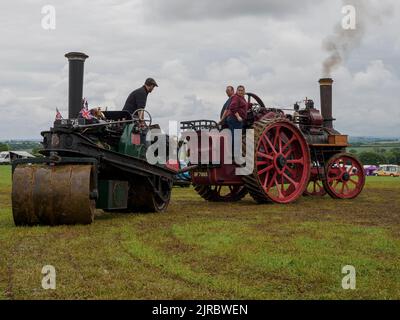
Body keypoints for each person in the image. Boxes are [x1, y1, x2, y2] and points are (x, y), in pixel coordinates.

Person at [226, 85, 249, 159]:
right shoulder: (236, 97)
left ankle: (235, 154)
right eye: (239, 90)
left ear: (244, 91)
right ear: (236, 91)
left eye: (242, 90)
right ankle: (233, 155)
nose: (240, 91)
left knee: (236, 136)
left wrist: (250, 104)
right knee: (236, 137)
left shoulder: (242, 98)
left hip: (235, 120)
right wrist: (238, 116)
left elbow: (244, 105)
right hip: (234, 119)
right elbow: (232, 107)